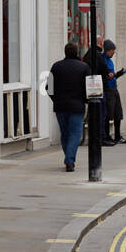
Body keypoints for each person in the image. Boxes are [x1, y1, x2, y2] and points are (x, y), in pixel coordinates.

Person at [48, 42, 90, 171]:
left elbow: (48, 88)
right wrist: (86, 100)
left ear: (65, 52)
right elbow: (89, 87)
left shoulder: (56, 66)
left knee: (65, 133)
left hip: (60, 106)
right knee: (75, 134)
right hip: (77, 106)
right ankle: (69, 160)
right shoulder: (84, 67)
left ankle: (69, 158)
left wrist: (56, 100)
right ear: (77, 52)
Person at [83, 35, 114, 147]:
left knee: (94, 114)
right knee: (101, 113)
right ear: (100, 43)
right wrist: (108, 75)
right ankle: (100, 137)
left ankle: (95, 137)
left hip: (90, 88)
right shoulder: (98, 55)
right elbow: (105, 70)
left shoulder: (87, 54)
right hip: (98, 88)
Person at [102, 39, 126, 144]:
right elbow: (106, 76)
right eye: (113, 50)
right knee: (108, 114)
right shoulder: (103, 60)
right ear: (108, 50)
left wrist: (119, 73)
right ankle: (107, 136)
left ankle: (117, 136)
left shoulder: (110, 61)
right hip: (108, 90)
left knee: (118, 113)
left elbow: (112, 76)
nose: (114, 52)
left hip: (114, 88)